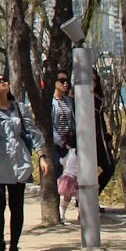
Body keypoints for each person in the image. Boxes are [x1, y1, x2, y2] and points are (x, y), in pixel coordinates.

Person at [0, 72, 43, 251]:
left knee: (17, 206)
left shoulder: (20, 108)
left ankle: (15, 246)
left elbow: (33, 131)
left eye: (4, 80)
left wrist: (42, 155)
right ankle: (0, 240)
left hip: (19, 159)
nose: (3, 83)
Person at [50, 68, 75, 221]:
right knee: (58, 174)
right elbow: (50, 125)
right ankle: (57, 212)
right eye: (62, 81)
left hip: (69, 143)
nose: (65, 84)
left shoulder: (68, 101)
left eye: (67, 81)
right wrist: (60, 141)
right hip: (56, 144)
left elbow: (73, 121)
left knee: (70, 177)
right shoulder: (51, 102)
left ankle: (63, 211)